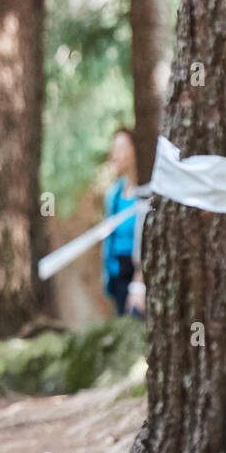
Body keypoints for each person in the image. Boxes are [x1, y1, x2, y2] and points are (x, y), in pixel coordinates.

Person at [102, 127, 146, 318]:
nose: (115, 155)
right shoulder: (113, 195)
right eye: (114, 149)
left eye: (121, 148)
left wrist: (140, 282)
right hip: (117, 276)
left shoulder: (146, 193)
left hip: (140, 275)